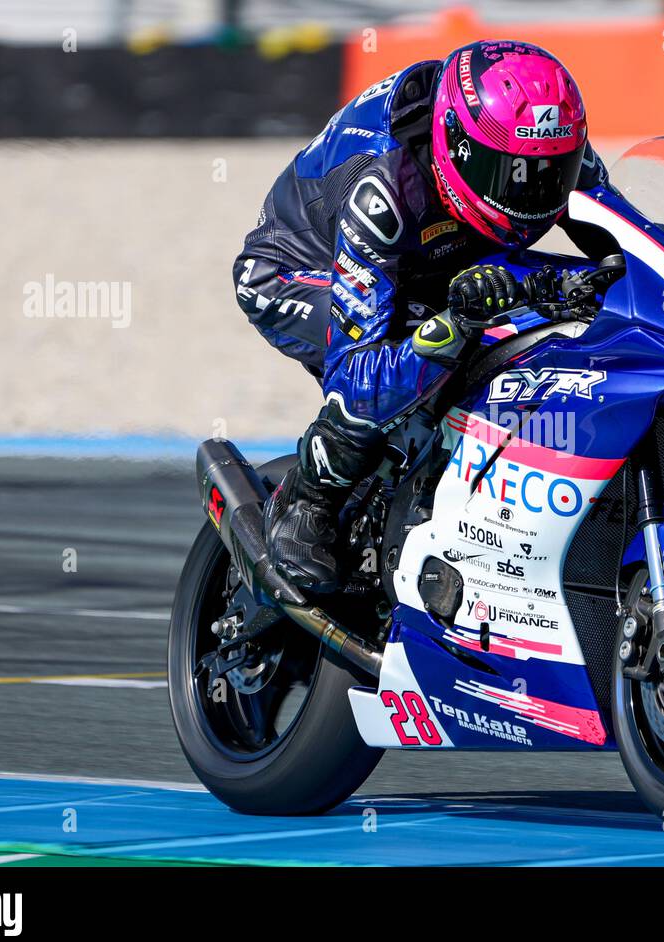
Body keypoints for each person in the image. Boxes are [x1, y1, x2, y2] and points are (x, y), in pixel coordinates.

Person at [233, 39, 612, 593]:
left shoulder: (535, 141)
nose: (534, 194)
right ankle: (307, 501)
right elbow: (356, 370)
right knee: (420, 352)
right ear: (459, 149)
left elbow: (620, 238)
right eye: (512, 176)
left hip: (437, 257)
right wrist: (457, 325)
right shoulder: (382, 191)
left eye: (549, 174)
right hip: (300, 266)